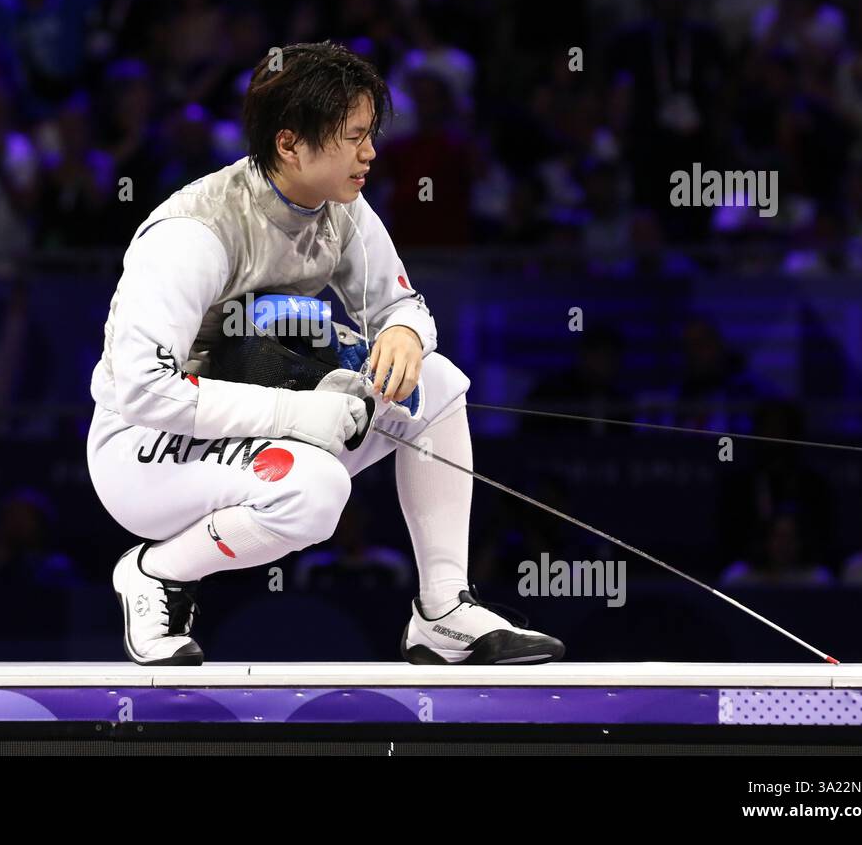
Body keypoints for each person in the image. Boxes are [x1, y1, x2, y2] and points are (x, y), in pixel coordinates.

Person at [87, 40, 565, 666]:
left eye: (371, 134)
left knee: (438, 382)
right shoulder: (194, 234)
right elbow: (143, 391)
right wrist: (295, 418)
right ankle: (154, 572)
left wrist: (403, 335)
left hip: (266, 415)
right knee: (314, 491)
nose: (370, 153)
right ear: (290, 144)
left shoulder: (342, 207)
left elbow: (403, 307)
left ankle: (444, 612)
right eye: (354, 137)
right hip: (145, 448)